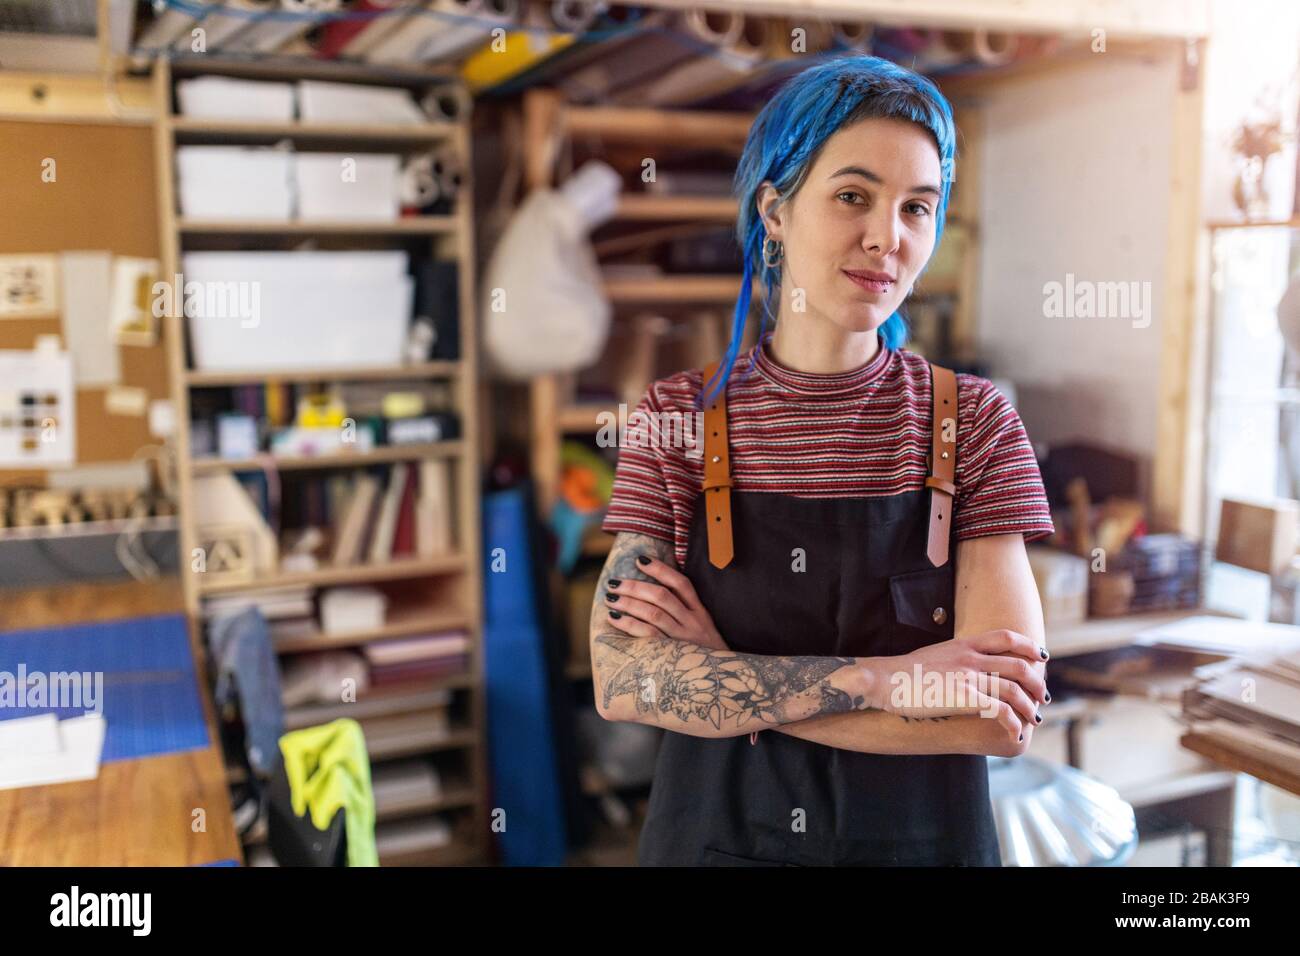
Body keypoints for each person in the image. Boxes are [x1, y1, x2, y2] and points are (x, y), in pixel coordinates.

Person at [589, 54, 1055, 867]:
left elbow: (997, 718)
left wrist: (724, 676)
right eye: (852, 196)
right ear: (774, 209)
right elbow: (627, 681)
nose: (888, 237)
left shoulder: (975, 423)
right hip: (715, 845)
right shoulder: (674, 420)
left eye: (919, 206)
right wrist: (886, 681)